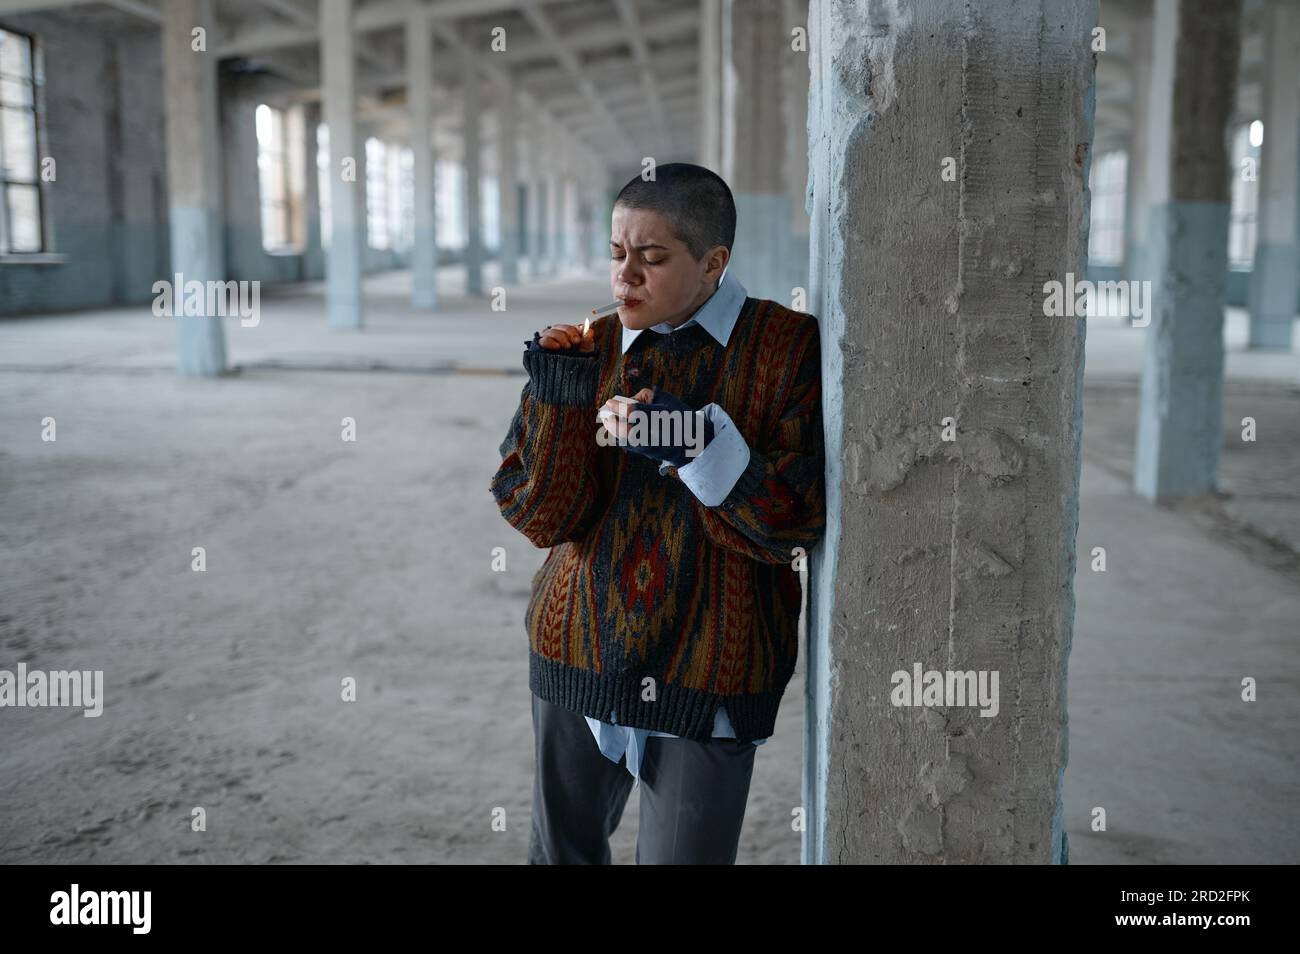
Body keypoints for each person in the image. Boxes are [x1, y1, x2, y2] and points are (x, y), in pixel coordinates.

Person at [489, 162, 825, 864]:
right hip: (576, 646)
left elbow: (791, 524)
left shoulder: (785, 346)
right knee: (561, 856)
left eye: (651, 257)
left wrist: (696, 442)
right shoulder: (590, 346)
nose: (624, 278)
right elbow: (543, 517)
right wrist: (558, 396)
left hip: (712, 666)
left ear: (713, 262)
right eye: (616, 255)